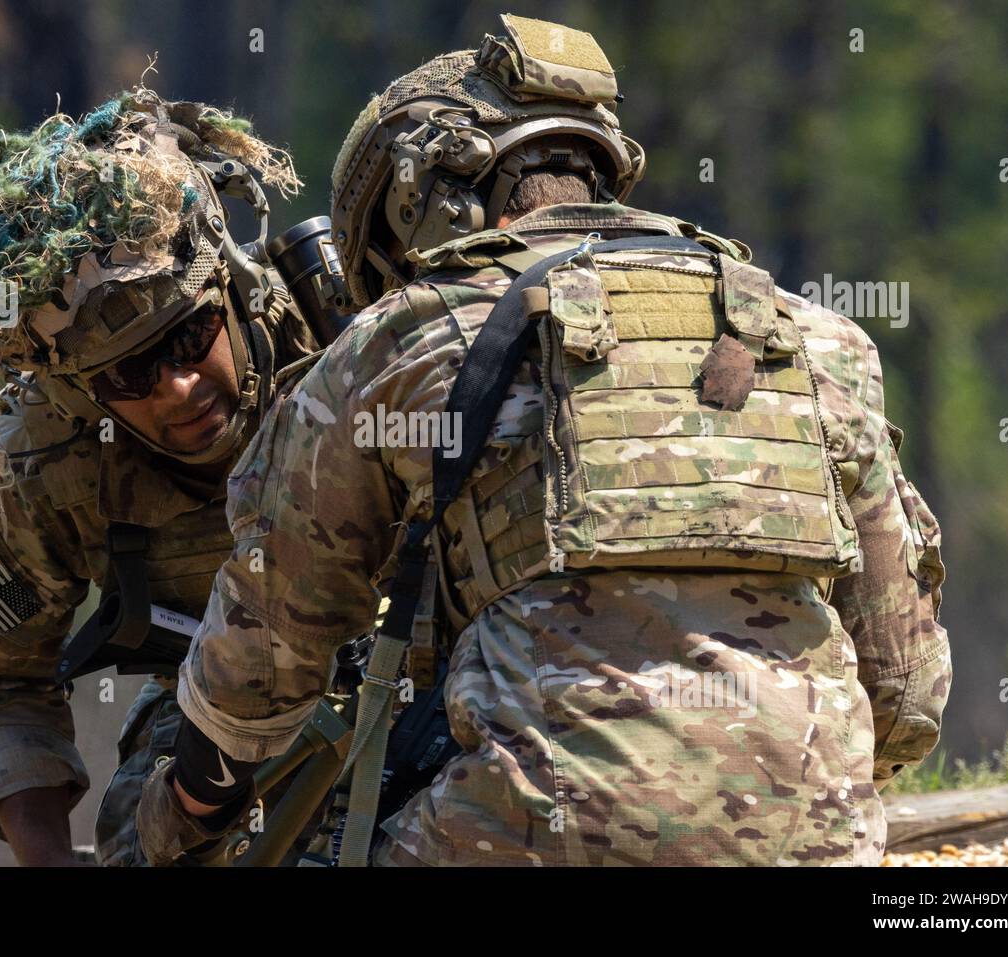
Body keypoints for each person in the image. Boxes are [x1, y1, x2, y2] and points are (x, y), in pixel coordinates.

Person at [139, 15, 951, 866]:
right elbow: (903, 689)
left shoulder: (403, 338)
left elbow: (265, 659)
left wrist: (187, 806)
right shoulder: (813, 341)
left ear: (424, 201)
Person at [0, 88, 318, 865]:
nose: (180, 386)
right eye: (132, 375)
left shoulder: (342, 345)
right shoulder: (53, 462)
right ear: (81, 391)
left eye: (192, 335)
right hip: (213, 727)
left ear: (226, 286)